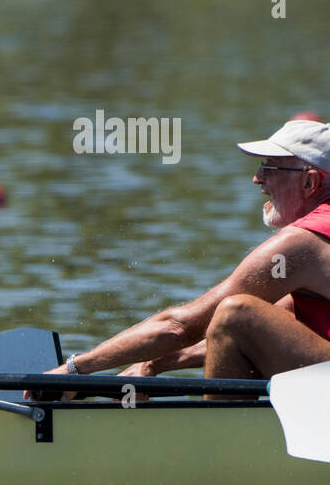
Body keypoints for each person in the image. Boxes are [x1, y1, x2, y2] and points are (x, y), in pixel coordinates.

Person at [38, 119, 330, 393]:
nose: (257, 178)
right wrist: (153, 363)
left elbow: (179, 327)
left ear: (310, 183)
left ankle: (221, 440)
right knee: (259, 314)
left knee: (235, 314)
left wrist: (75, 369)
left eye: (271, 168)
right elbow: (279, 320)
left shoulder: (300, 244)